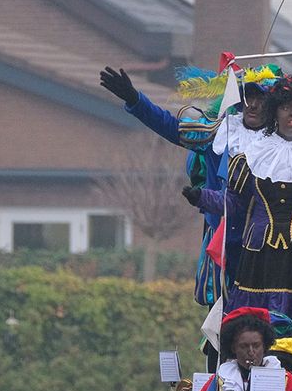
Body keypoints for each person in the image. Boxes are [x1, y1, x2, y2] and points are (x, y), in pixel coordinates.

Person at [183, 74, 292, 340]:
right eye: (285, 107)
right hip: (263, 258)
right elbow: (235, 204)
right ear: (275, 113)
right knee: (263, 330)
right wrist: (201, 197)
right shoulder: (255, 151)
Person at [100, 64, 281, 307]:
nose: (254, 105)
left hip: (271, 244)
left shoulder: (286, 144)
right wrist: (135, 99)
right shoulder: (218, 134)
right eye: (248, 97)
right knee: (227, 321)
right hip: (225, 242)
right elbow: (171, 127)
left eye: (262, 99)